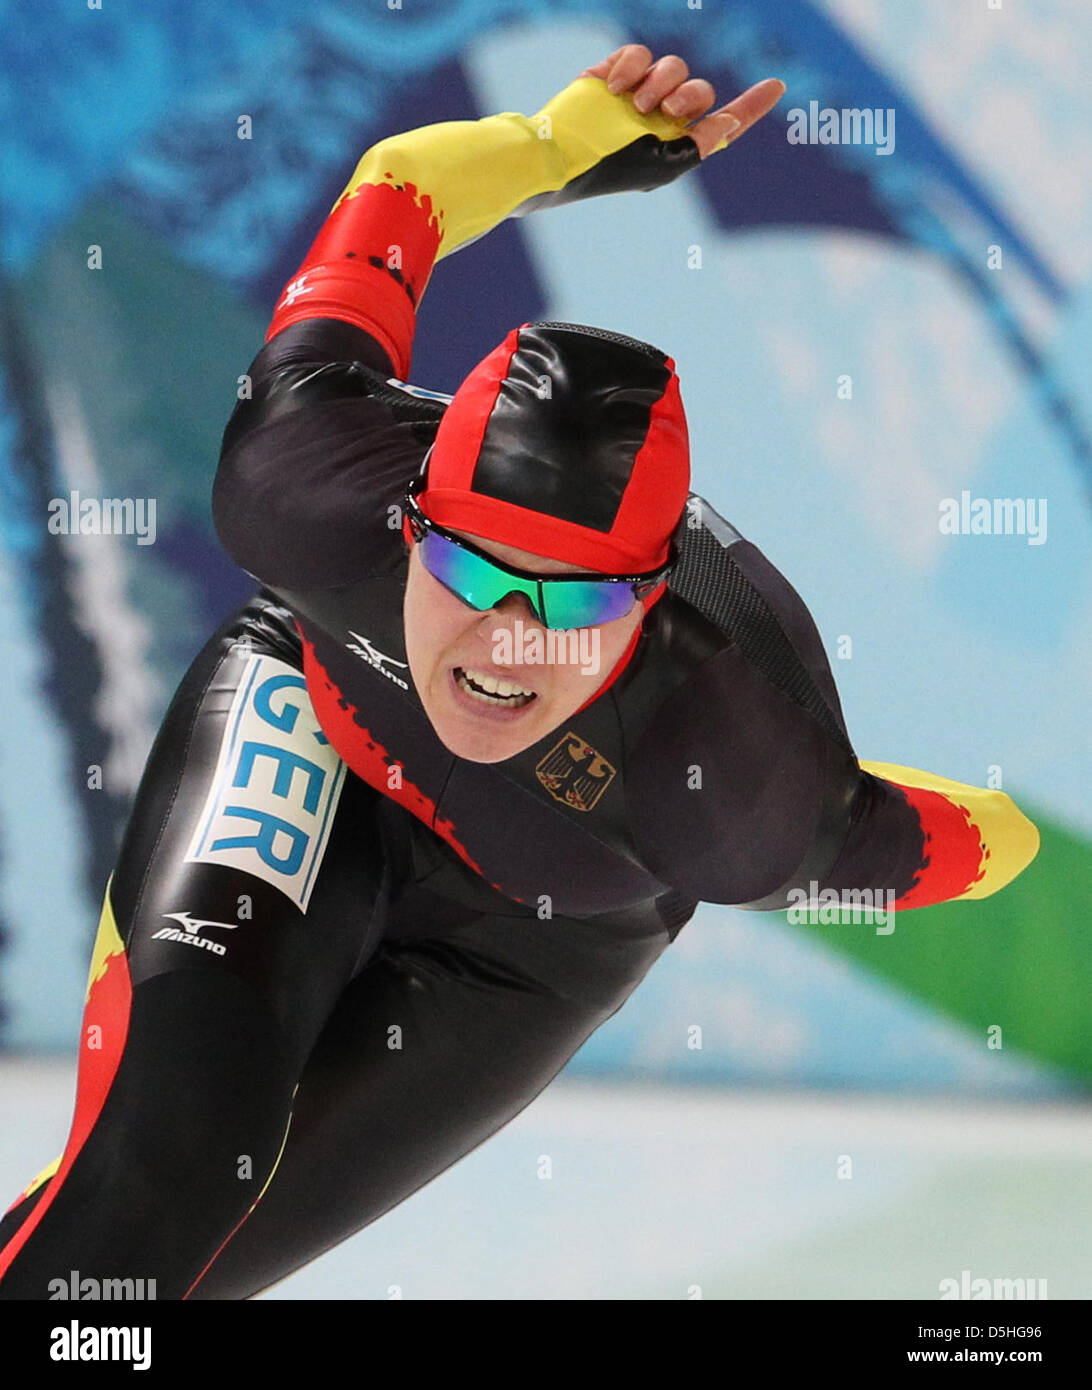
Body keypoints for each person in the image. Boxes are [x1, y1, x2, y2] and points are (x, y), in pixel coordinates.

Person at [0, 43, 1039, 1301]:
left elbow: (955, 842)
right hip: (313, 722)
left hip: (532, 951)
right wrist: (553, 146)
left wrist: (1016, 831)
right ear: (410, 524)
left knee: (200, 1270)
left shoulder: (730, 779)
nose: (504, 645)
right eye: (475, 574)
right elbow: (399, 187)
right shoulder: (306, 487)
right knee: (168, 1179)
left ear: (651, 606)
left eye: (577, 599)